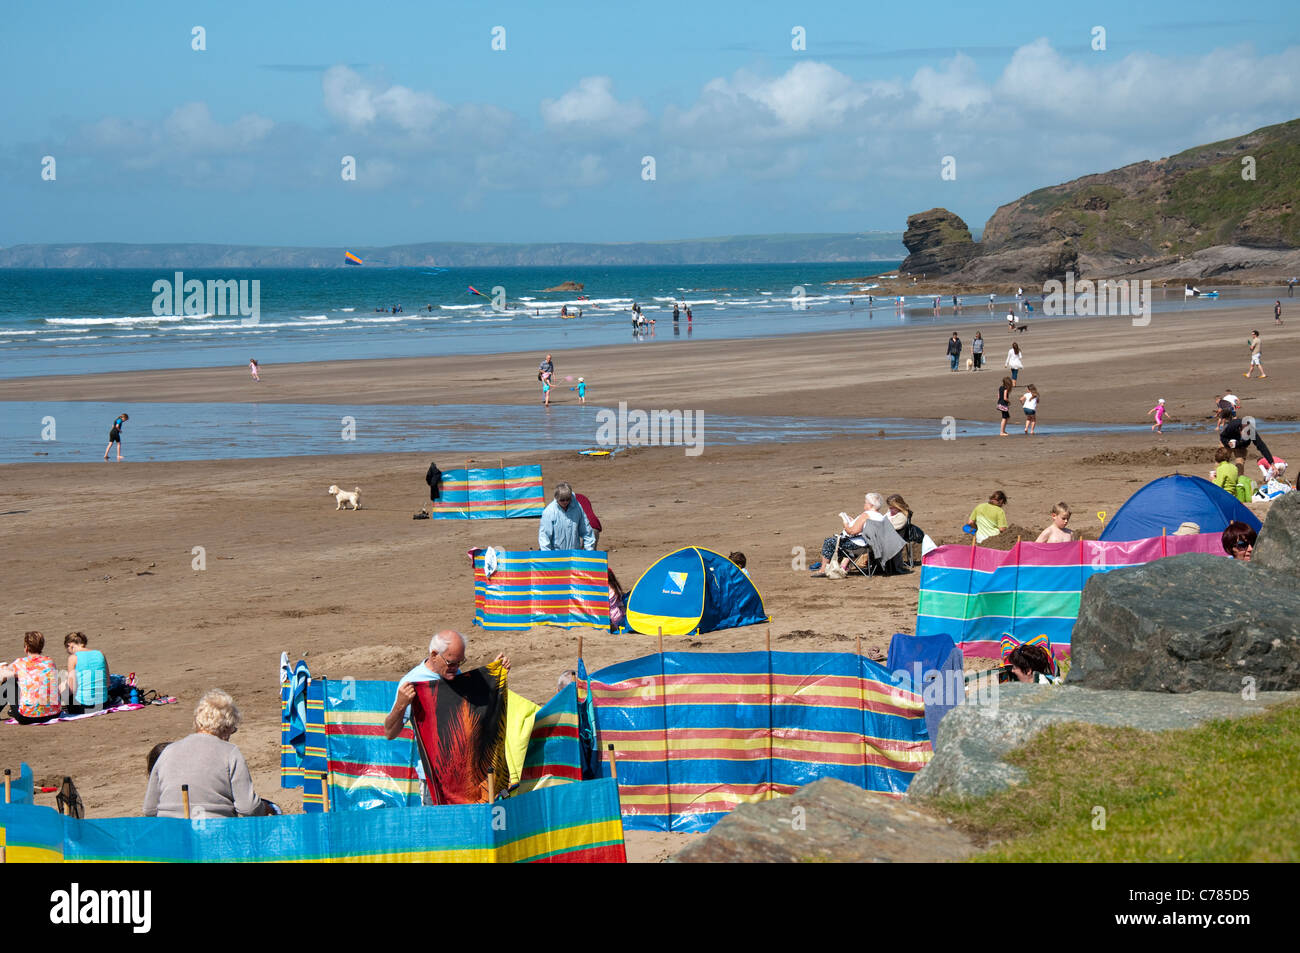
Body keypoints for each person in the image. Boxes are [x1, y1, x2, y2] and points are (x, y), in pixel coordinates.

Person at [382, 632, 510, 803]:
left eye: (460, 662)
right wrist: (401, 704)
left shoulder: (456, 675)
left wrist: (495, 675)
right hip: (435, 779)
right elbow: (389, 733)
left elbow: (480, 708)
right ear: (434, 655)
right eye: (451, 662)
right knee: (442, 827)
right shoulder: (414, 682)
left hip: (470, 775)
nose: (455, 668)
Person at [143, 690, 276, 818]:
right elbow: (248, 808)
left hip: (171, 831)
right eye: (233, 729)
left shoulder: (168, 751)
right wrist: (266, 808)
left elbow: (149, 809)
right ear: (226, 727)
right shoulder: (230, 752)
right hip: (215, 832)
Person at [0, 631, 61, 724]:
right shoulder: (50, 662)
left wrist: (4, 667)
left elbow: (3, 675)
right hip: (54, 713)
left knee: (9, 683)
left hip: (27, 716)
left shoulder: (20, 663)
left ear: (26, 647)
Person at [538, 482, 596, 550]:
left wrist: (589, 551)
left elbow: (587, 530)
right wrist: (547, 557)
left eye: (568, 499)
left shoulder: (577, 508)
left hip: (573, 554)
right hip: (556, 555)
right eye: (562, 500)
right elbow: (544, 537)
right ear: (556, 498)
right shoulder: (549, 512)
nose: (565, 502)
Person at [62, 631, 109, 714]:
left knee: (63, 685)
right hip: (103, 704)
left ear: (70, 645)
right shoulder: (100, 653)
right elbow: (108, 683)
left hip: (84, 706)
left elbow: (72, 688)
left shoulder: (73, 658)